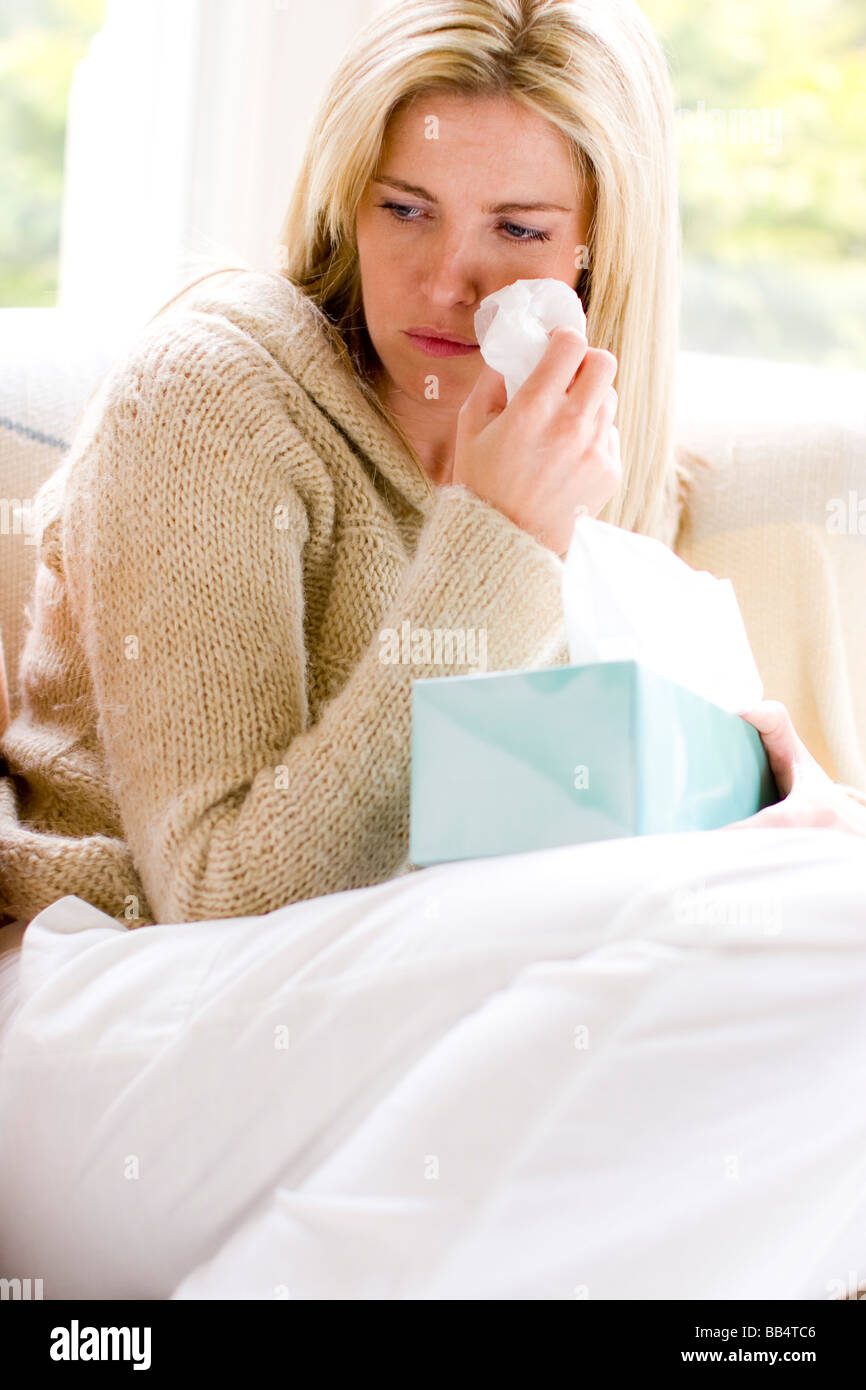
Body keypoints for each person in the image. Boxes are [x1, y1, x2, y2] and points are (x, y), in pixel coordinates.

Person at [0, 0, 864, 931]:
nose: (449, 282)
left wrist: (778, 808)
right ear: (350, 202)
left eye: (519, 231)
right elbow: (222, 900)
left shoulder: (595, 473)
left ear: (598, 251)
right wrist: (501, 542)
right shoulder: (207, 400)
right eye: (406, 209)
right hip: (126, 972)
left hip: (456, 971)